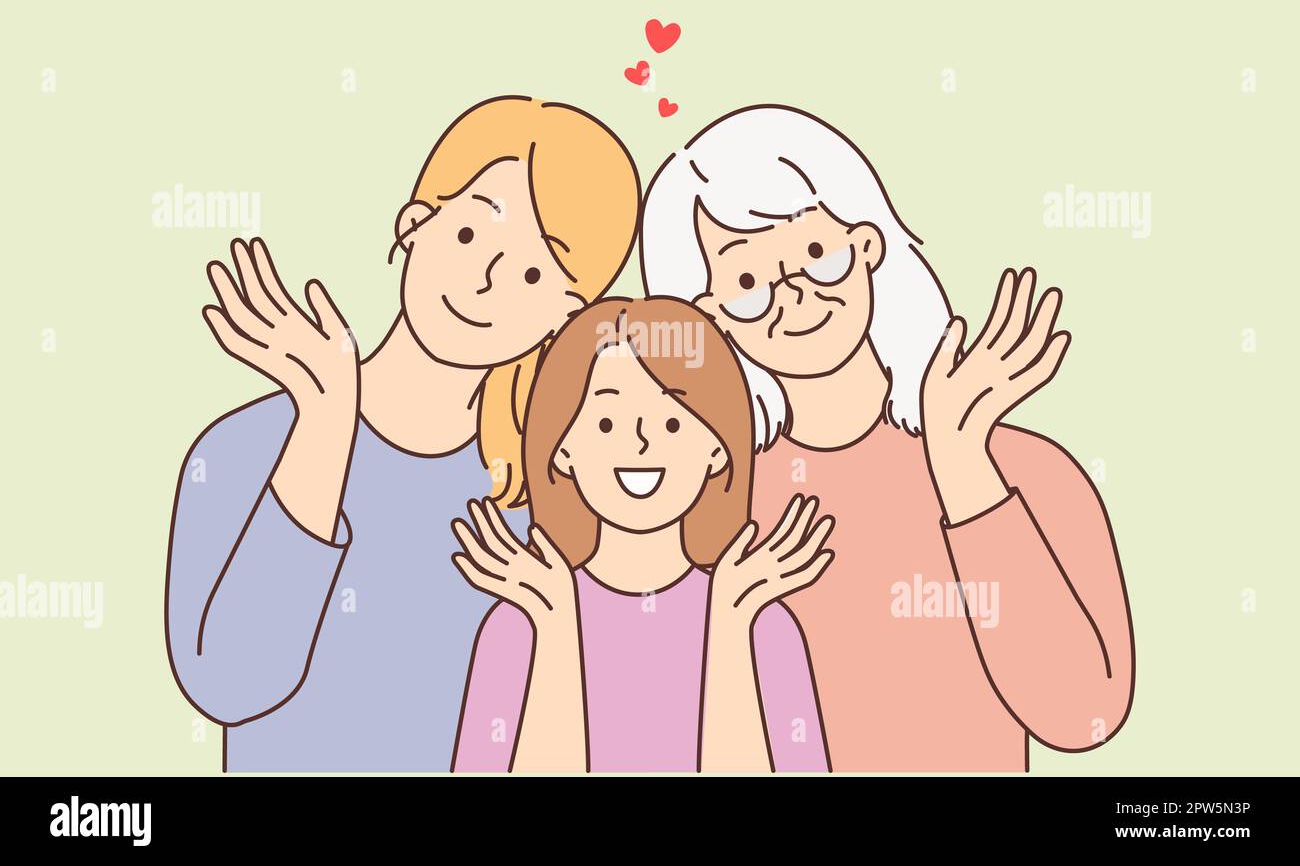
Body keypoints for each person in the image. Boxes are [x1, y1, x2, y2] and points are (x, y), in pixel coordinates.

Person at [639, 105, 1135, 771]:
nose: (795, 298)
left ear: (868, 243)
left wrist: (963, 473)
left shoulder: (1019, 468)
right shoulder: (702, 503)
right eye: (750, 283)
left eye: (816, 255)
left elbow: (1082, 715)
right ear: (709, 317)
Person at [165, 96, 640, 771]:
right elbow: (231, 684)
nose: (485, 282)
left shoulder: (554, 493)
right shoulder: (242, 449)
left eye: (533, 271)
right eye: (473, 235)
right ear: (417, 222)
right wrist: (326, 426)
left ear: (564, 316)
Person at [450, 298, 832, 772]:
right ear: (561, 448)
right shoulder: (517, 628)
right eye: (607, 422)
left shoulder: (764, 627)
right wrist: (555, 628)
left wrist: (731, 626)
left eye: (672, 421)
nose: (640, 443)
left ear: (718, 447)